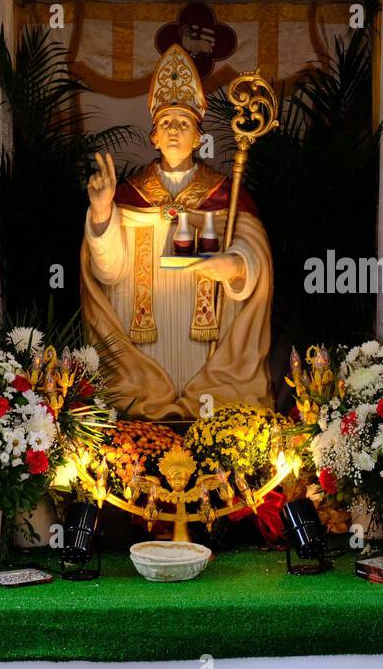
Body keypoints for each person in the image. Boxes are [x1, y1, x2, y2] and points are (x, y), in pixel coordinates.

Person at [79, 44, 273, 419]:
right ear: (153, 136)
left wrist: (234, 265)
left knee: (209, 418)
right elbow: (107, 271)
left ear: (198, 137)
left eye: (183, 123)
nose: (173, 131)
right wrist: (102, 212)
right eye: (166, 123)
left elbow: (254, 251)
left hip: (204, 343)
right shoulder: (128, 196)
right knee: (143, 421)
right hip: (143, 345)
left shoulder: (224, 195)